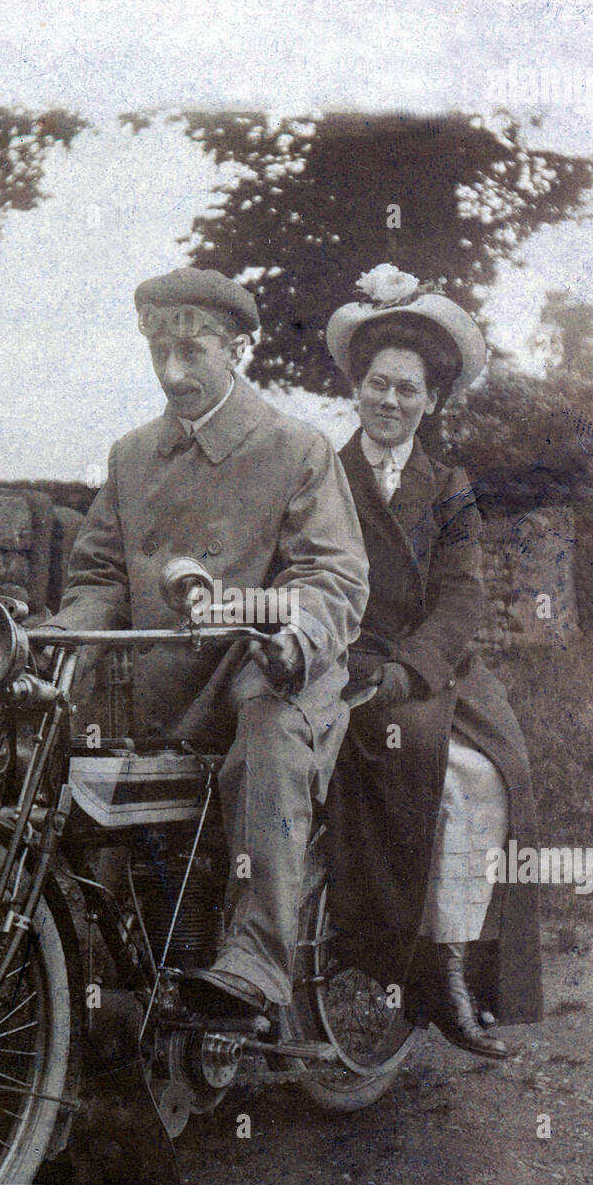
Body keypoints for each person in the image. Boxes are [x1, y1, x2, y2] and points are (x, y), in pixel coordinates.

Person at [51, 267, 369, 1017]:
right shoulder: (131, 458)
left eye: (192, 352)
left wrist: (296, 638)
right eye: (159, 353)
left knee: (269, 716)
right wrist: (67, 636)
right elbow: (97, 575)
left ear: (238, 350)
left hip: (264, 676)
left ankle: (258, 958)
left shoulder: (296, 450)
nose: (172, 373)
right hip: (161, 691)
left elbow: (334, 575)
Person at [324, 275, 542, 1059]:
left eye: (406, 389)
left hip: (430, 665)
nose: (389, 400)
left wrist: (412, 669)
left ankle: (450, 967)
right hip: (346, 656)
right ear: (356, 388)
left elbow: (460, 601)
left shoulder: (449, 489)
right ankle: (392, 954)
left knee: (496, 773)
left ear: (430, 401)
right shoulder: (319, 474)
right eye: (376, 384)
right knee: (428, 770)